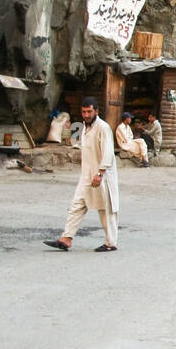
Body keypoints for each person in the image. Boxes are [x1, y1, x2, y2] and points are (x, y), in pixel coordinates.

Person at [43, 97, 119, 252]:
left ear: (96, 111)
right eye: (84, 112)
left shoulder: (103, 127)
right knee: (76, 205)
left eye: (89, 111)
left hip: (101, 176)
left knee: (106, 209)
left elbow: (108, 154)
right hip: (86, 175)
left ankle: (111, 243)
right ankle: (66, 238)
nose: (86, 115)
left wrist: (100, 173)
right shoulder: (85, 127)